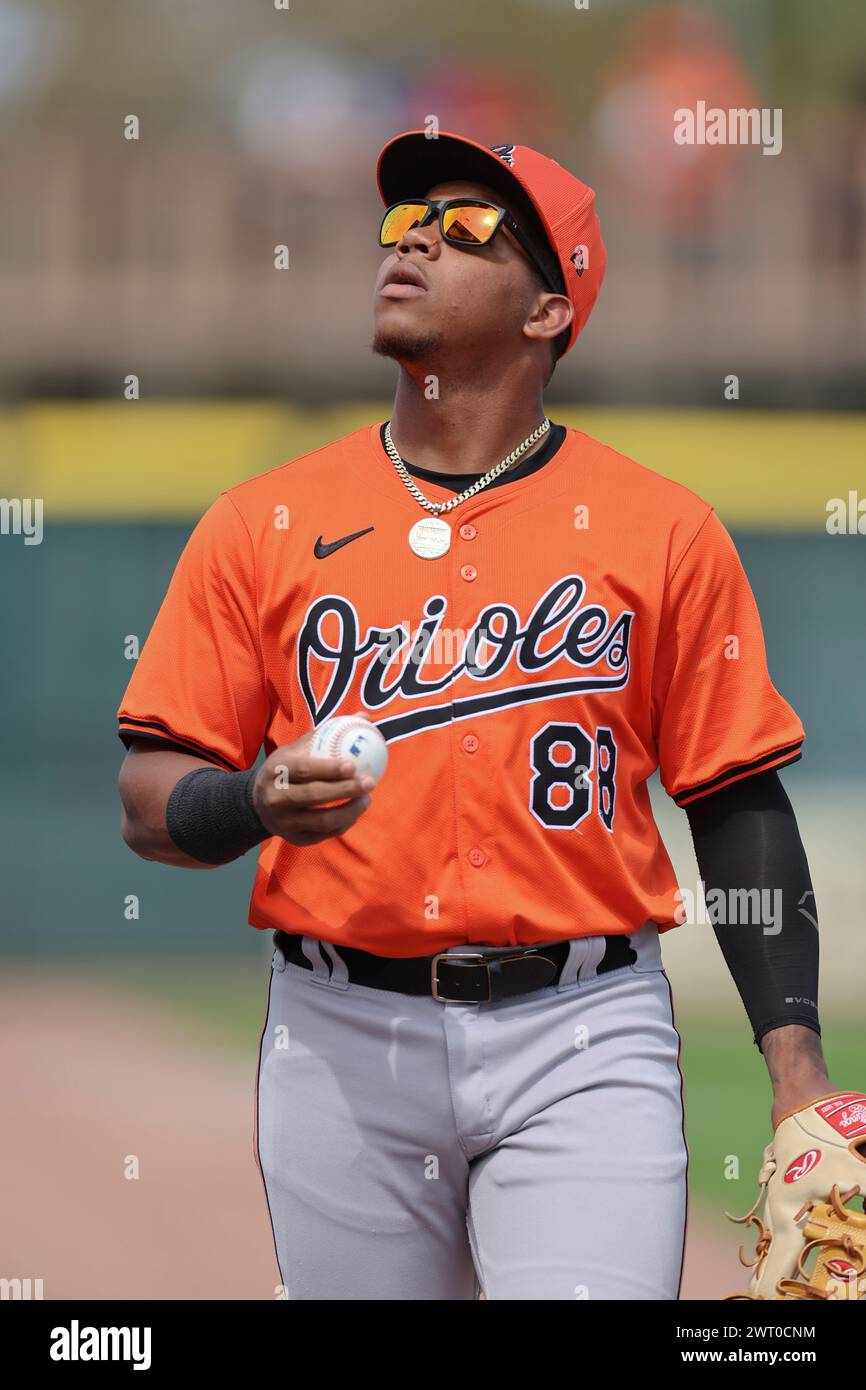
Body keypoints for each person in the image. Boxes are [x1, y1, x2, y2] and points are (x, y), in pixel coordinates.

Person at [118, 130, 837, 1301]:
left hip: (583, 1032)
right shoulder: (261, 521)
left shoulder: (661, 529)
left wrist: (795, 1066)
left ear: (548, 309)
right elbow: (148, 799)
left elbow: (733, 794)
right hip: (339, 1033)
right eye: (405, 223)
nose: (411, 242)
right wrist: (249, 798)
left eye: (463, 228)